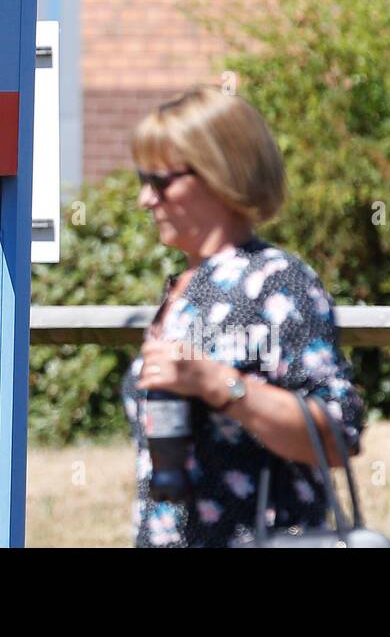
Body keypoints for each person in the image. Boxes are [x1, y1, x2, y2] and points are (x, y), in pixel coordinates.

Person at [120, 85, 366, 547]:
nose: (145, 200)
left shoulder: (278, 281)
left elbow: (337, 436)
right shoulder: (182, 287)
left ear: (219, 175)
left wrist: (219, 385)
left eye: (160, 181)